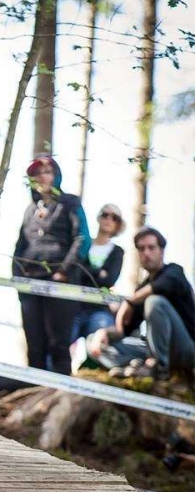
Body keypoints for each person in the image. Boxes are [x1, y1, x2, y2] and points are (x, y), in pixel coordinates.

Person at [13, 154, 90, 375]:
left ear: (56, 176)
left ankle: (60, 395)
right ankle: (34, 396)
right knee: (34, 346)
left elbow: (82, 238)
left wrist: (64, 271)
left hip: (61, 283)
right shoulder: (30, 210)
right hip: (31, 285)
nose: (42, 177)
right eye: (36, 173)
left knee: (58, 344)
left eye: (47, 172)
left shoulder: (70, 203)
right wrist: (19, 278)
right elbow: (20, 246)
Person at [88, 228, 194, 381]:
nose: (146, 253)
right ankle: (134, 366)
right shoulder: (142, 289)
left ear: (162, 251)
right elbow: (124, 330)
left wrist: (129, 302)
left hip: (186, 349)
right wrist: (103, 334)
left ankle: (159, 369)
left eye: (151, 247)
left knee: (154, 302)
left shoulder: (174, 272)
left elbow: (161, 286)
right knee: (93, 341)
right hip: (151, 350)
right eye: (141, 249)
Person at [70, 203, 125, 343]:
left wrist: (86, 270)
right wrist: (99, 273)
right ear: (98, 218)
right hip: (73, 306)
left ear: (118, 224)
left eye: (114, 218)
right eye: (105, 215)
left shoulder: (117, 251)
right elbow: (75, 270)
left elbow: (109, 280)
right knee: (59, 347)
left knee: (99, 347)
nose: (108, 219)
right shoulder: (84, 243)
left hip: (99, 310)